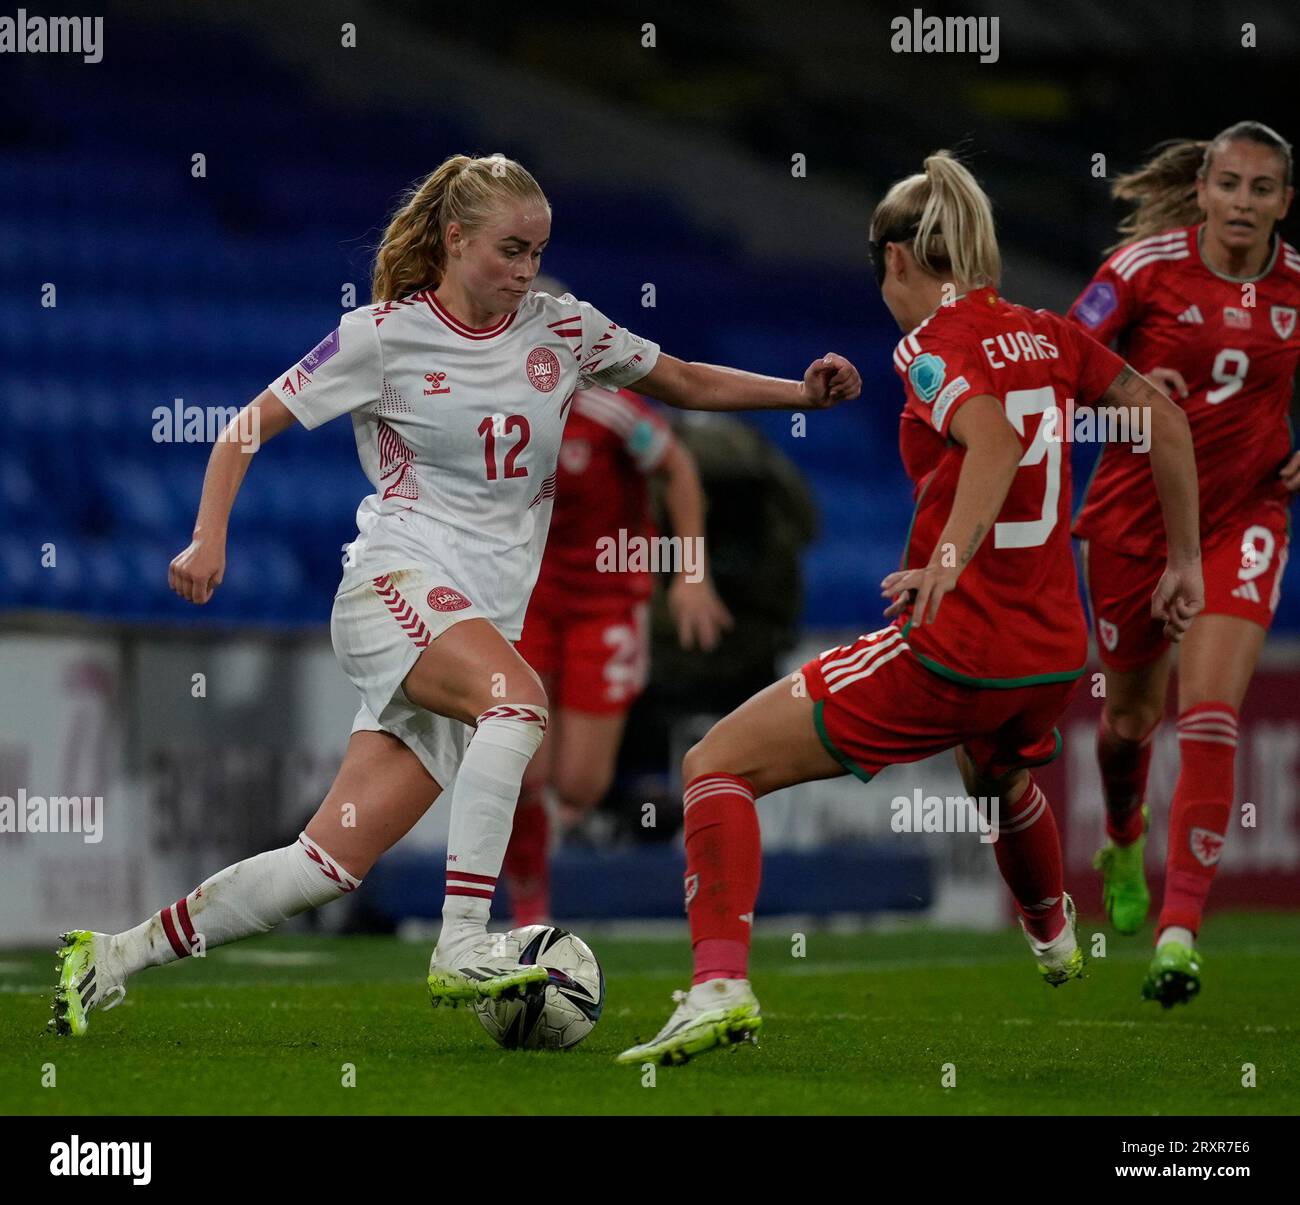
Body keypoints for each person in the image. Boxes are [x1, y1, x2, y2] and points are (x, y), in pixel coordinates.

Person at [50, 152, 861, 1036]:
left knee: (325, 865)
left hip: (471, 623)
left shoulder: (564, 330)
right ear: (454, 238)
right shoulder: (382, 336)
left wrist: (799, 395)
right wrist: (210, 535)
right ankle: (463, 939)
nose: (525, 271)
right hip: (392, 586)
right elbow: (246, 426)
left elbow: (684, 379)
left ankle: (113, 954)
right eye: (510, 250)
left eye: (537, 252)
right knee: (520, 702)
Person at [617, 151, 1203, 1068]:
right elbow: (1163, 415)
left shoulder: (929, 345)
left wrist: (946, 561)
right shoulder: (1049, 333)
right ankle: (1053, 935)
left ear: (895, 258)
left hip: (957, 648)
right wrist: (1187, 558)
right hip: (1053, 652)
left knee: (715, 764)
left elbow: (993, 440)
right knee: (997, 774)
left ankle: (719, 986)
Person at [1068, 121, 1299, 1006]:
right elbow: (1061, 360)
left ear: (1285, 202)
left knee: (1209, 713)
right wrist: (1122, 392)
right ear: (1201, 191)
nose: (1243, 202)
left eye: (1262, 188)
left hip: (1245, 516)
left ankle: (1179, 933)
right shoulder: (1142, 270)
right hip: (1135, 524)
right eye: (1229, 184)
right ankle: (1124, 834)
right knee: (1129, 723)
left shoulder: (1297, 286)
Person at [501, 275, 732, 924]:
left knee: (579, 783)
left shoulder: (607, 409)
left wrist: (691, 573)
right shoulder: (491, 411)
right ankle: (528, 905)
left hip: (607, 599)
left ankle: (580, 836)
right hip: (528, 597)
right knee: (522, 766)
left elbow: (677, 467)